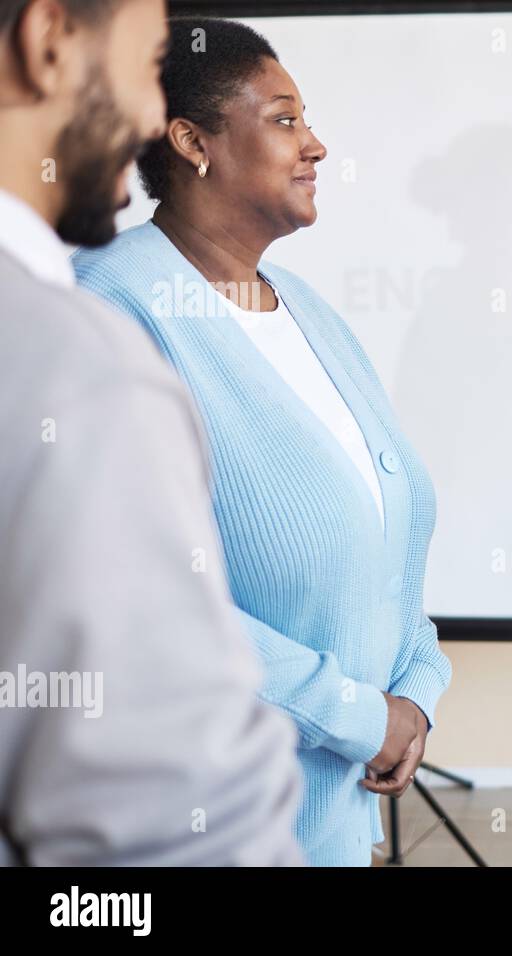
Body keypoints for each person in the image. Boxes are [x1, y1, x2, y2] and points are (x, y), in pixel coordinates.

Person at [73, 16, 451, 866]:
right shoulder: (107, 308)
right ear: (192, 141)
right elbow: (137, 598)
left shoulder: (311, 313)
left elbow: (395, 541)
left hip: (335, 825)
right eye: (284, 119)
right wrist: (360, 719)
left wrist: (416, 698)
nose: (314, 144)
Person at [0, 0, 300, 864]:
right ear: (48, 41)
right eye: (145, 62)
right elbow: (167, 825)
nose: (142, 119)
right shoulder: (82, 366)